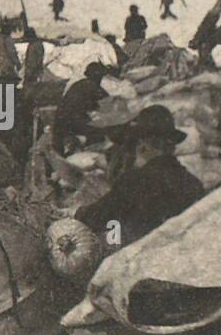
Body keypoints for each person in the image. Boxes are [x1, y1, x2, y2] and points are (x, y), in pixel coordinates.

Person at [77, 106, 204, 249]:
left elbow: (97, 216)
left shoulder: (134, 180)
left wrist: (78, 213)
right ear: (172, 147)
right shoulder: (194, 184)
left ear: (143, 147)